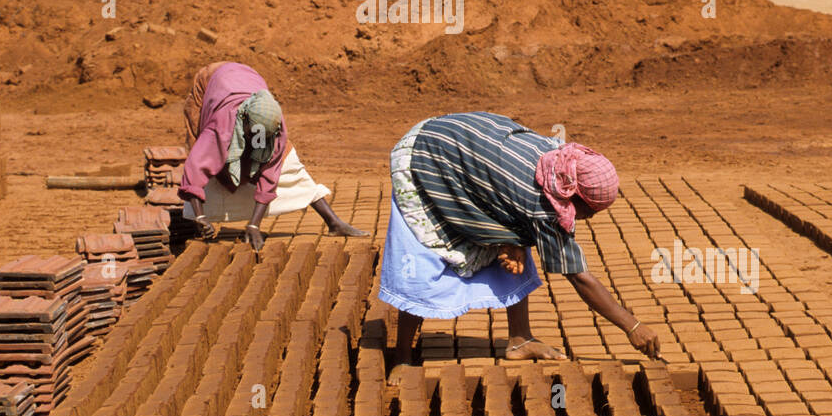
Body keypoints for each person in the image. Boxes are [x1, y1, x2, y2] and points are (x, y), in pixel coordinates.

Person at [378, 111, 661, 382]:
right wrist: (632, 326)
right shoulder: (543, 207)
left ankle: (519, 339)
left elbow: (503, 192)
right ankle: (403, 355)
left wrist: (508, 238)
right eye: (590, 210)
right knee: (422, 256)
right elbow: (578, 276)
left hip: (469, 156)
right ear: (572, 195)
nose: (590, 218)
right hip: (428, 157)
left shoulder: (557, 163)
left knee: (519, 239)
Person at [179, 61, 365, 250]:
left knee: (288, 164)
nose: (258, 139)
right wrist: (200, 216)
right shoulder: (221, 127)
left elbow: (270, 176)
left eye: (263, 136)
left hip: (247, 77)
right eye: (254, 134)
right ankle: (200, 223)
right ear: (244, 122)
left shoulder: (273, 125)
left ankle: (333, 223)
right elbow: (196, 167)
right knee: (207, 156)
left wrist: (253, 225)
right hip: (212, 81)